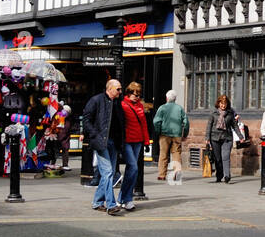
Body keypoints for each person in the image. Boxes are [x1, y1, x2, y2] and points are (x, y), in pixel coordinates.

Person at [81, 79, 124, 215]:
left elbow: (120, 123)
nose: (120, 91)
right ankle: (111, 205)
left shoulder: (117, 103)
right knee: (108, 172)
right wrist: (94, 134)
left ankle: (98, 202)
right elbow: (86, 119)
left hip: (113, 142)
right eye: (118, 89)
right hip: (101, 142)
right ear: (109, 88)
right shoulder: (96, 100)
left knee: (108, 174)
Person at [118, 82, 150, 210]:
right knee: (133, 168)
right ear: (129, 93)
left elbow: (144, 125)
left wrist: (146, 141)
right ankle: (127, 199)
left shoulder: (140, 106)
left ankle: (123, 198)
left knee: (131, 170)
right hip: (127, 141)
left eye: (138, 94)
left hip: (138, 141)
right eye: (135, 94)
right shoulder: (122, 105)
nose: (137, 97)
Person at [152, 90, 189, 181]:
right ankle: (177, 171)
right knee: (176, 153)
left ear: (166, 98)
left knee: (163, 154)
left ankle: (162, 174)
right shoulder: (180, 109)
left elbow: (156, 121)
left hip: (164, 134)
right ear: (175, 99)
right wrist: (185, 134)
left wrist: (158, 131)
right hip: (177, 134)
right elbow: (186, 122)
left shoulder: (162, 108)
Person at [207, 94, 238, 183]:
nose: (223, 105)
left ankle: (227, 175)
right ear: (218, 103)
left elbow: (235, 126)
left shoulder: (230, 113)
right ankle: (219, 175)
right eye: (221, 103)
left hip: (227, 137)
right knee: (217, 158)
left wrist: (240, 136)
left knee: (225, 156)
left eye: (225, 104)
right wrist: (207, 138)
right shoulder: (213, 113)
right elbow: (209, 126)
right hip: (215, 138)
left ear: (227, 104)